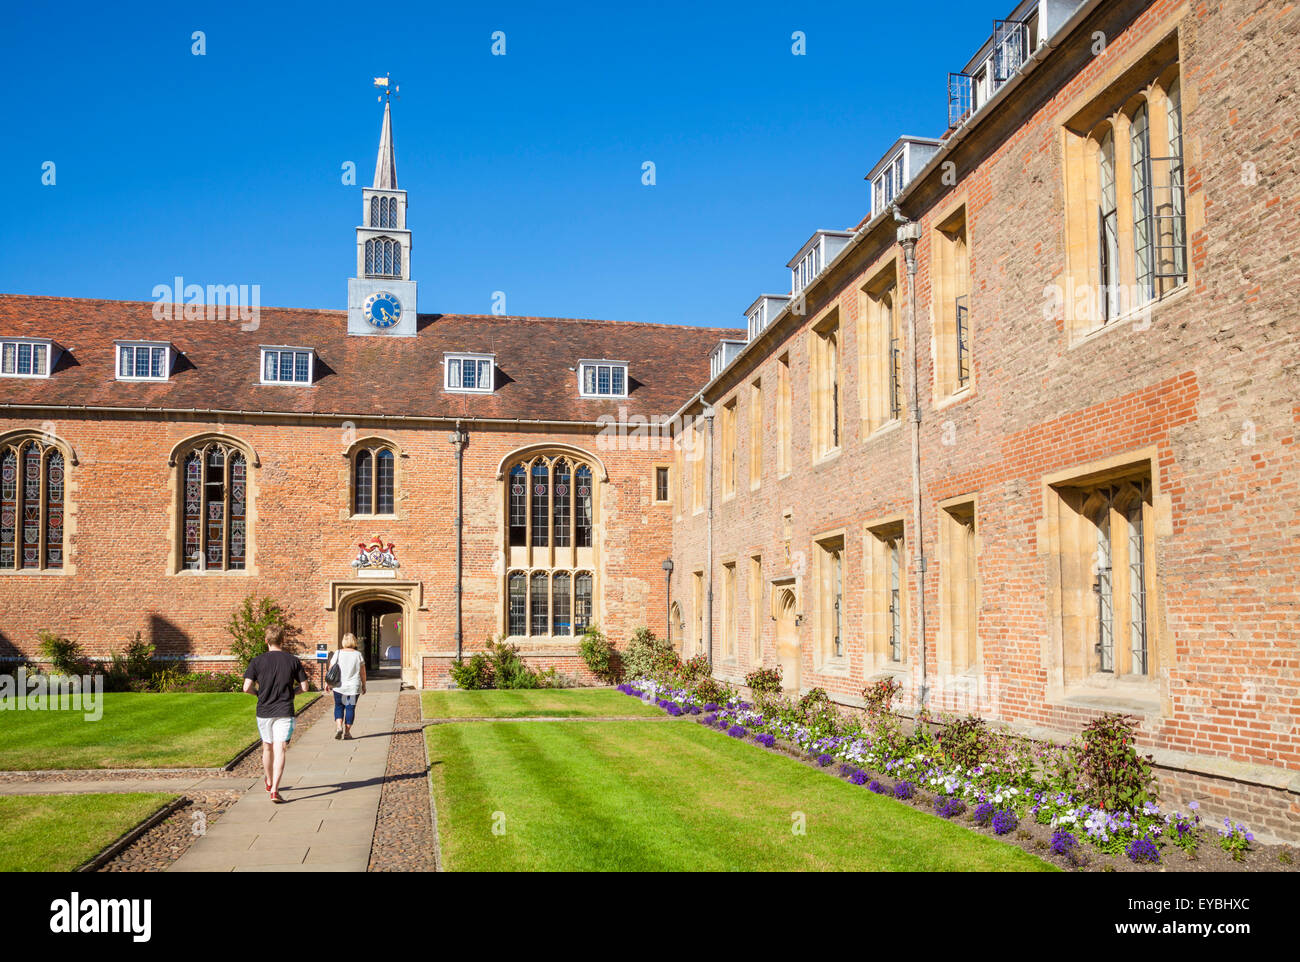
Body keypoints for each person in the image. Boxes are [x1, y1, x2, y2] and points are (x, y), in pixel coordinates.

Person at [242, 624, 307, 803]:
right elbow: (304, 687)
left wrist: (259, 694)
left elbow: (246, 687)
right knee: (281, 749)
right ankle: (275, 790)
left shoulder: (257, 661)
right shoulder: (292, 660)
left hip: (264, 711)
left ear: (266, 641)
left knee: (267, 747)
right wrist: (291, 694)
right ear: (282, 640)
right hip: (285, 710)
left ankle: (269, 781)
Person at [325, 633, 367, 740]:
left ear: (343, 641)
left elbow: (331, 669)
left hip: (339, 686)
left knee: (339, 706)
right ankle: (347, 733)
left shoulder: (338, 653)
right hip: (352, 688)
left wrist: (327, 683)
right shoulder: (358, 654)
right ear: (354, 641)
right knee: (349, 708)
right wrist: (364, 685)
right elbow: (363, 672)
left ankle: (339, 727)